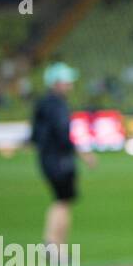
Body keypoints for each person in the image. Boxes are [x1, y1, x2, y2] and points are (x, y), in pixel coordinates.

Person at [31, 62, 96, 247]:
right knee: (63, 201)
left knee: (61, 200)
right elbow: (62, 135)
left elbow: (34, 136)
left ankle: (54, 244)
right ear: (56, 83)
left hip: (47, 159)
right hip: (60, 160)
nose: (70, 85)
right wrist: (83, 154)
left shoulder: (42, 103)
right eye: (67, 81)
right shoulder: (57, 105)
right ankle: (54, 243)